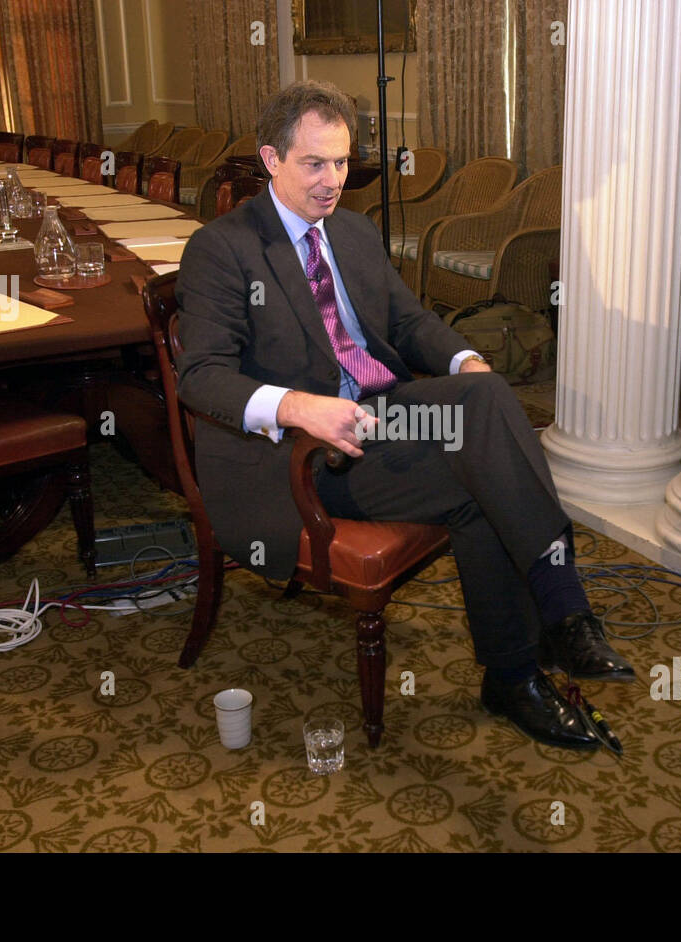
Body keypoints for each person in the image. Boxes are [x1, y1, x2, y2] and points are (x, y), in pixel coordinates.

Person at [175, 80, 631, 750]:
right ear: (270, 158)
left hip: (384, 416)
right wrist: (302, 408)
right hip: (304, 453)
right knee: (484, 464)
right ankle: (553, 630)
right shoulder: (224, 248)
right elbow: (201, 376)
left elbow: (411, 323)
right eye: (314, 164)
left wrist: (463, 359)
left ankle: (516, 670)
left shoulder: (354, 232)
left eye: (341, 162)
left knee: (482, 397)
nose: (333, 181)